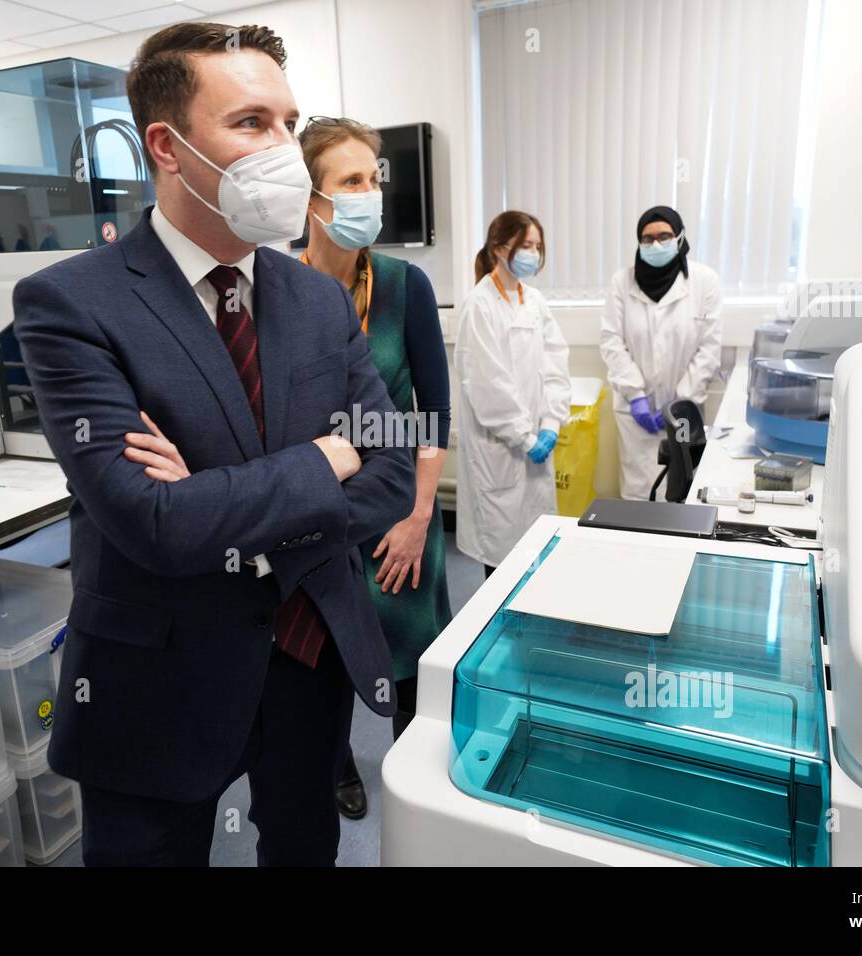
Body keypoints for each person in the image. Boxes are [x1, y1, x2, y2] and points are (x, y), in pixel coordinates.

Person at [12, 22, 415, 866]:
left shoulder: (316, 301)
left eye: (289, 123)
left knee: (302, 848)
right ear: (167, 144)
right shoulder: (69, 305)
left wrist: (214, 496)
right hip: (158, 674)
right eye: (251, 123)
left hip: (308, 649)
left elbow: (391, 476)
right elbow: (153, 525)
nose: (286, 150)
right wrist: (321, 459)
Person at [296, 116, 453, 820]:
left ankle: (418, 781)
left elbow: (433, 413)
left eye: (373, 180)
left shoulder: (401, 286)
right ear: (310, 199)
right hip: (318, 515)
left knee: (413, 653)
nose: (369, 195)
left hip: (403, 510)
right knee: (321, 660)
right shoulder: (277, 292)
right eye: (350, 182)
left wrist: (420, 517)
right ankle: (335, 767)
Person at [454, 211, 570, 576]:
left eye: (538, 246)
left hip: (536, 445)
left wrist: (551, 422)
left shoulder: (535, 301)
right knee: (501, 561)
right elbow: (488, 384)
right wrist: (523, 436)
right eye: (526, 246)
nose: (533, 254)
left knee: (535, 549)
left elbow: (555, 365)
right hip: (500, 450)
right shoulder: (480, 305)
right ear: (500, 248)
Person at [599, 205, 722, 500]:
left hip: (683, 414)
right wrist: (636, 396)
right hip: (634, 412)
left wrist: (680, 401)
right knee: (639, 493)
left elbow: (709, 347)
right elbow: (611, 341)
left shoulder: (704, 282)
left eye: (664, 236)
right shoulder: (621, 282)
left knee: (681, 492)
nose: (655, 244)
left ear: (679, 238)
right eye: (647, 238)